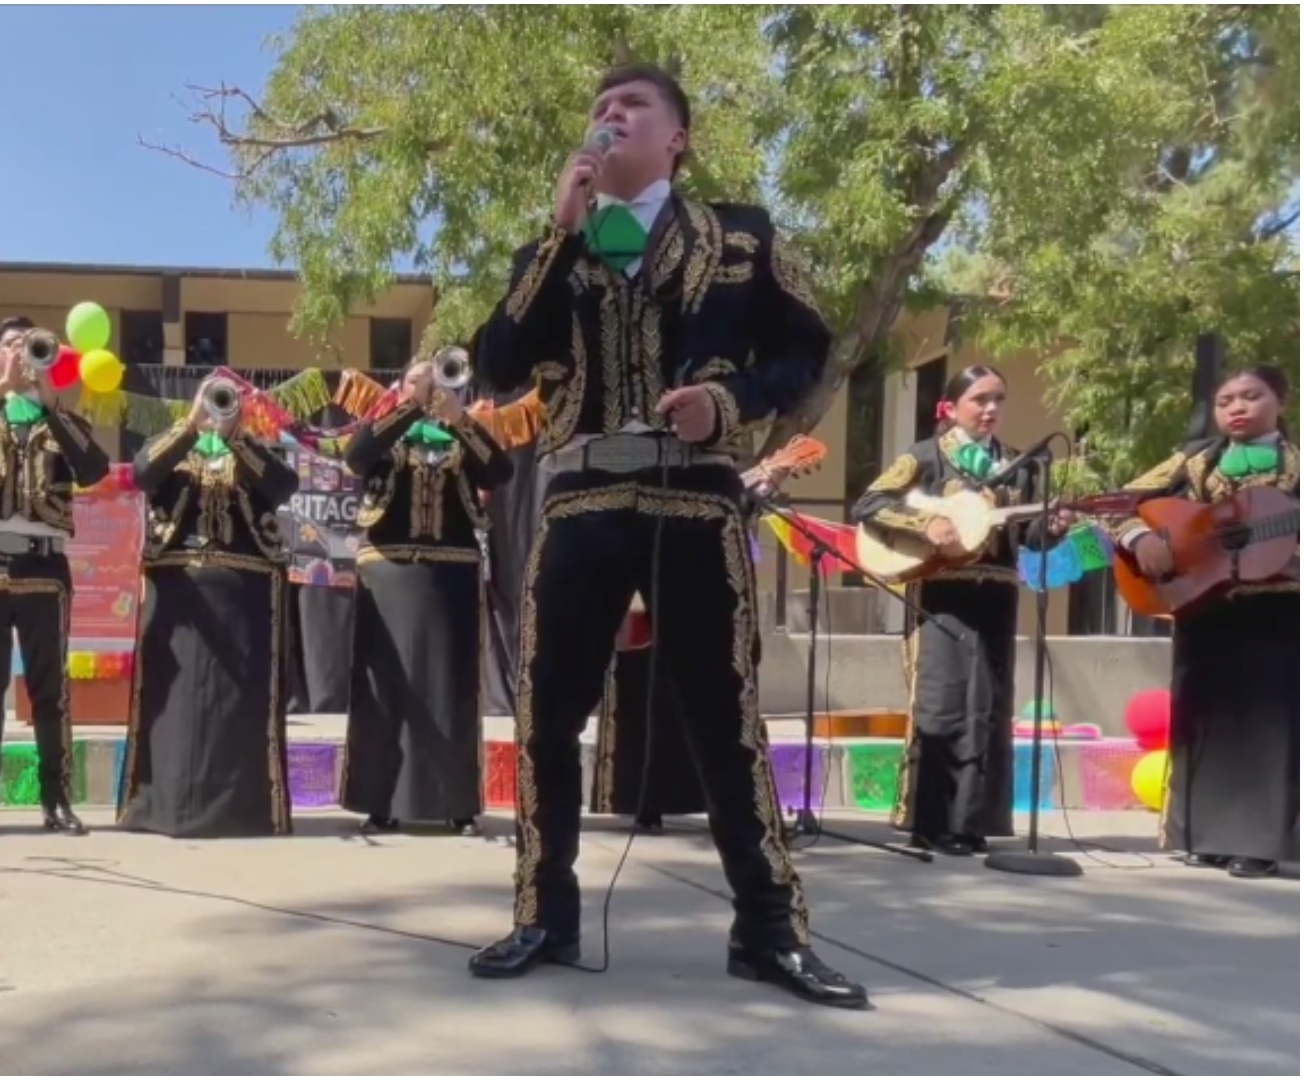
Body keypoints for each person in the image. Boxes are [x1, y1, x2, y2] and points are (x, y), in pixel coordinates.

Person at [466, 61, 866, 1007]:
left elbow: (809, 348)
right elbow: (493, 367)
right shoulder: (550, 250)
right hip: (581, 501)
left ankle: (769, 931)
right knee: (548, 718)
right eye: (600, 110)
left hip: (696, 496)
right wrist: (558, 237)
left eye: (631, 108)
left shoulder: (743, 235)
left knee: (725, 718)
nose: (609, 120)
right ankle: (543, 916)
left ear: (676, 137)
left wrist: (730, 402)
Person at [851, 365, 1068, 858]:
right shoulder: (924, 456)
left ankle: (970, 824)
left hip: (996, 594)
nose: (990, 408)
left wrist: (1052, 526)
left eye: (998, 399)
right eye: (979, 399)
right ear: (951, 407)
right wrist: (927, 523)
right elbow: (869, 503)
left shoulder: (1020, 466)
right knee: (942, 704)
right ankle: (929, 822)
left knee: (984, 708)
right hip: (940, 595)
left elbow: (1027, 537)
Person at [1115, 365, 1298, 879]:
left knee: (1267, 724)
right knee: (1203, 717)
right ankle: (1201, 836)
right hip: (1202, 601)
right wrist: (1141, 540)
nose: (1236, 407)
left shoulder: (1297, 464)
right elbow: (1119, 501)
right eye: (1225, 400)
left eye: (1250, 396)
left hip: (1278, 606)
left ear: (1279, 400)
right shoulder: (1193, 460)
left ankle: (1259, 845)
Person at [0, 317, 111, 840]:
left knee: (50, 690)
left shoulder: (59, 418)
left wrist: (51, 400)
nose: (24, 355)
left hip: (43, 566)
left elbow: (93, 467)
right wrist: (1, 390)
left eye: (32, 348)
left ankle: (56, 802)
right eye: (13, 346)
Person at [117, 379, 301, 838]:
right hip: (179, 592)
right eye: (212, 399)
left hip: (245, 594)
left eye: (226, 401)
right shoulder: (177, 443)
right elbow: (143, 474)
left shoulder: (252, 448)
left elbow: (283, 486)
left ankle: (241, 810)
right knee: (175, 702)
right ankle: (165, 808)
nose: (220, 407)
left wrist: (237, 437)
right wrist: (191, 425)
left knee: (236, 704)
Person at [340, 355, 513, 837]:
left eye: (433, 381)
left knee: (448, 687)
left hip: (451, 571)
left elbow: (498, 473)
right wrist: (408, 407)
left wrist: (459, 419)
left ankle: (455, 803)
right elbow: (357, 457)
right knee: (386, 693)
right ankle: (380, 802)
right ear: (401, 385)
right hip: (388, 568)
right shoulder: (386, 424)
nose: (427, 387)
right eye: (417, 380)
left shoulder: (459, 429)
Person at [592, 458, 791, 828]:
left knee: (717, 700)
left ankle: (729, 808)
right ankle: (645, 802)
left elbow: (731, 514)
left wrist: (763, 488)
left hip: (704, 590)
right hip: (647, 585)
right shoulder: (634, 463)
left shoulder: (713, 467)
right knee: (648, 697)